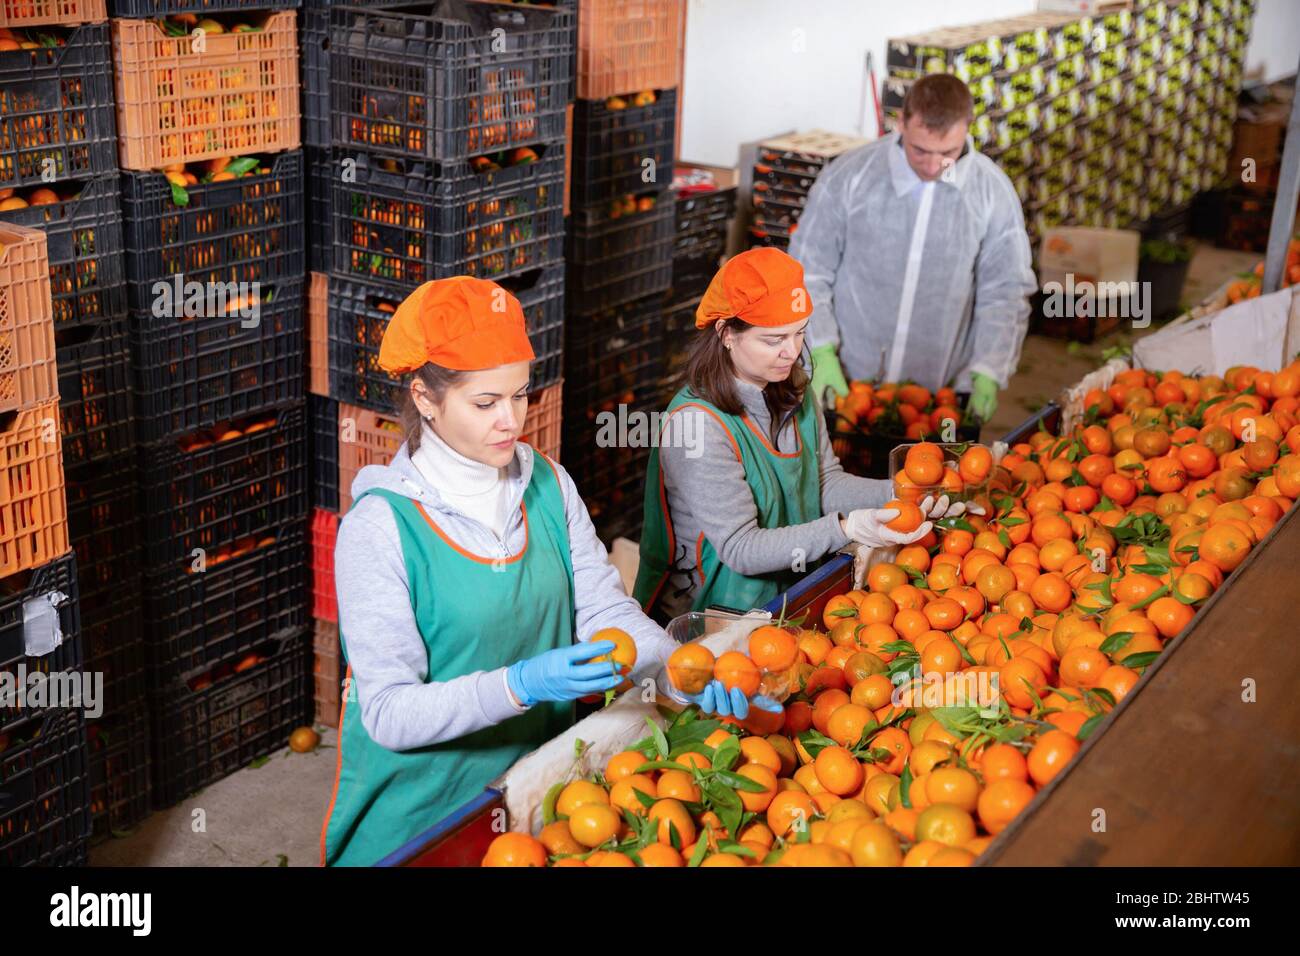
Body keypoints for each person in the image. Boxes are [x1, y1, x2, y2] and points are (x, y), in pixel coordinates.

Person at [320, 277, 769, 866]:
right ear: (425, 399)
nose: (511, 420)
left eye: (521, 394)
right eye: (485, 403)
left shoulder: (548, 484)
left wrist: (676, 672)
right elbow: (389, 712)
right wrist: (519, 685)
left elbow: (604, 611)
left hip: (536, 793)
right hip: (421, 817)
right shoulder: (380, 527)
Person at [633, 248, 975, 621]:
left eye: (799, 334)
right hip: (710, 617)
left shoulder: (794, 388)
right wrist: (845, 527)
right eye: (773, 339)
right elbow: (741, 548)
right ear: (727, 333)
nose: (791, 352)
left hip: (785, 596)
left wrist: (902, 493)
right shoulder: (696, 427)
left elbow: (822, 483)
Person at [789, 73, 1037, 424]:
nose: (933, 166)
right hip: (846, 385)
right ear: (901, 122)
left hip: (936, 401)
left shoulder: (990, 191)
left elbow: (1006, 289)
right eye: (919, 150)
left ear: (968, 128)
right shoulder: (851, 176)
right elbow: (808, 269)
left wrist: (988, 369)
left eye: (947, 153)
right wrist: (820, 349)